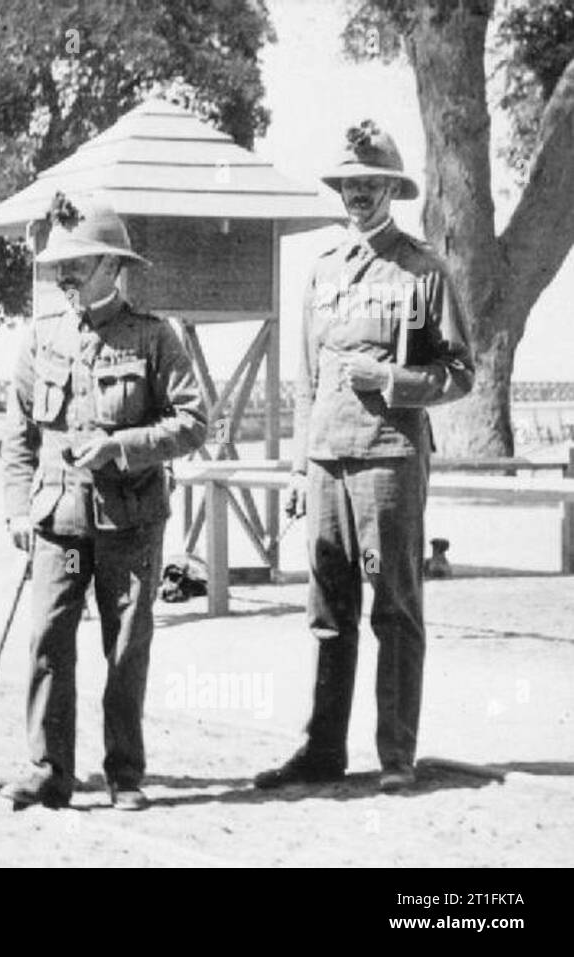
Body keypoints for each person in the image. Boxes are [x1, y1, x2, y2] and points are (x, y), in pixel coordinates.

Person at [255, 120, 473, 794]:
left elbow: (462, 371)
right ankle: (323, 751)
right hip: (325, 461)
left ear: (392, 190)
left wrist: (394, 383)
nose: (359, 194)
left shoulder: (422, 268)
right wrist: (297, 467)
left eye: (372, 185)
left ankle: (396, 755)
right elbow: (307, 378)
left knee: (396, 609)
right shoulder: (320, 272)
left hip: (389, 458)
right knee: (327, 610)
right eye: (350, 184)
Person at [0, 192, 207, 810]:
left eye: (79, 265)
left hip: (131, 520)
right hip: (56, 519)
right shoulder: (41, 339)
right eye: (59, 264)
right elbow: (19, 436)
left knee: (125, 646)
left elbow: (195, 422)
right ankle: (49, 771)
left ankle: (125, 774)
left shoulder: (152, 338)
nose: (64, 275)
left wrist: (119, 447)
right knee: (48, 639)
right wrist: (16, 508)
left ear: (114, 267)